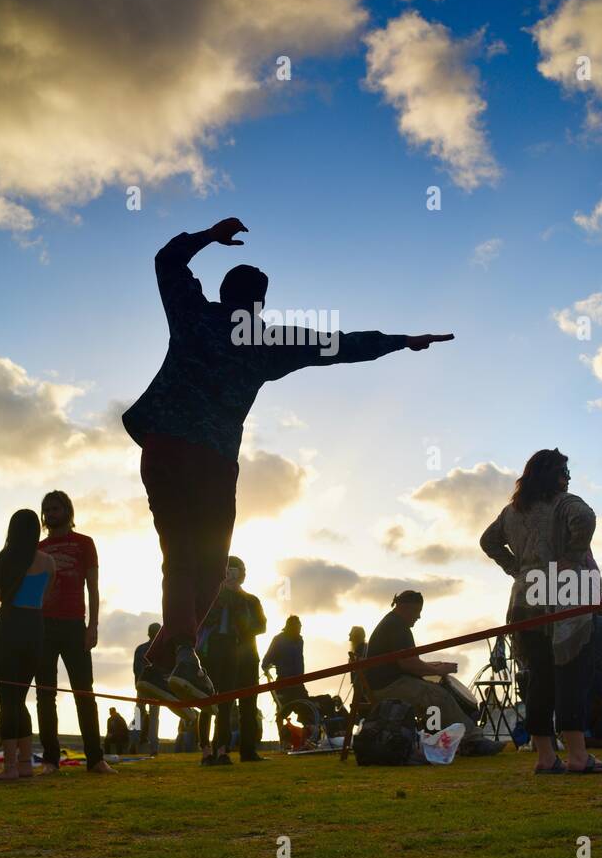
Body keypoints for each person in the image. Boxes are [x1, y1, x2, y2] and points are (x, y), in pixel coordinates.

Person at [123, 217, 454, 706]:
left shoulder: (193, 313)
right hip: (209, 459)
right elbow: (340, 345)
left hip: (161, 448)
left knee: (178, 554)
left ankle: (157, 664)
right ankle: (184, 657)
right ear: (260, 306)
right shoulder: (265, 341)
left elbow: (167, 260)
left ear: (222, 291)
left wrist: (210, 237)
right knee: (210, 566)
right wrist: (401, 341)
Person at [480, 447, 602, 775]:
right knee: (571, 674)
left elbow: (488, 541)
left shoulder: (512, 512)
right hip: (563, 595)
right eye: (563, 473)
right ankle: (578, 757)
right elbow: (585, 518)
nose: (568, 479)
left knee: (540, 677)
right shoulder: (563, 503)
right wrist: (572, 556)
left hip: (526, 597)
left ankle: (545, 756)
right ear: (549, 476)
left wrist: (516, 567)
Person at [366, 591, 504, 757]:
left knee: (436, 695)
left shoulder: (393, 623)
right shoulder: (397, 626)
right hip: (389, 686)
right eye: (417, 612)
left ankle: (453, 740)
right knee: (439, 696)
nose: (418, 617)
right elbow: (408, 664)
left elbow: (406, 661)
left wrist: (433, 667)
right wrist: (437, 670)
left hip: (388, 682)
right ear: (406, 607)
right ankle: (471, 741)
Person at [35, 491, 113, 774]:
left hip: (73, 624)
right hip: (43, 626)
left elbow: (93, 587)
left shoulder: (84, 544)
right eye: (46, 509)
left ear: (67, 510)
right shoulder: (39, 546)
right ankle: (50, 760)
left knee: (84, 692)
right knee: (45, 694)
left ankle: (95, 759)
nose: (50, 513)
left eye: (55, 508)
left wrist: (92, 626)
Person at [0, 510, 55, 782]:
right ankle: (25, 763)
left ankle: (10, 766)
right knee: (21, 698)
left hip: (7, 629)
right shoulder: (48, 562)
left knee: (8, 699)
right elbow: (45, 597)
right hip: (35, 629)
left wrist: (2, 590)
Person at [199, 555, 267, 766]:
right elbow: (204, 620)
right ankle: (209, 750)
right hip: (216, 652)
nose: (231, 577)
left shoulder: (250, 600)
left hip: (244, 655)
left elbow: (259, 626)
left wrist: (238, 601)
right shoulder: (212, 597)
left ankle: (241, 750)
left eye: (236, 573)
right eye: (228, 572)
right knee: (210, 701)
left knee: (243, 704)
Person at [263, 616, 309, 752]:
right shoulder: (279, 640)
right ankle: (284, 742)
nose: (299, 629)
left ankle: (306, 740)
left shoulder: (300, 640)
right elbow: (266, 661)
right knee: (282, 713)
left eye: (300, 626)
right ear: (289, 626)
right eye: (296, 626)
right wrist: (270, 666)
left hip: (299, 683)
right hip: (283, 682)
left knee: (306, 711)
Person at [133, 623, 163, 755]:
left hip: (141, 686)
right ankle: (154, 748)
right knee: (154, 717)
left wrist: (138, 685)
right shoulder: (162, 650)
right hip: (155, 688)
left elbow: (136, 670)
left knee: (138, 716)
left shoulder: (140, 649)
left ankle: (133, 743)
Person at [348, 625, 370, 711]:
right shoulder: (363, 648)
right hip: (361, 685)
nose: (349, 636)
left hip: (363, 686)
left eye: (350, 635)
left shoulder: (362, 649)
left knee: (360, 708)